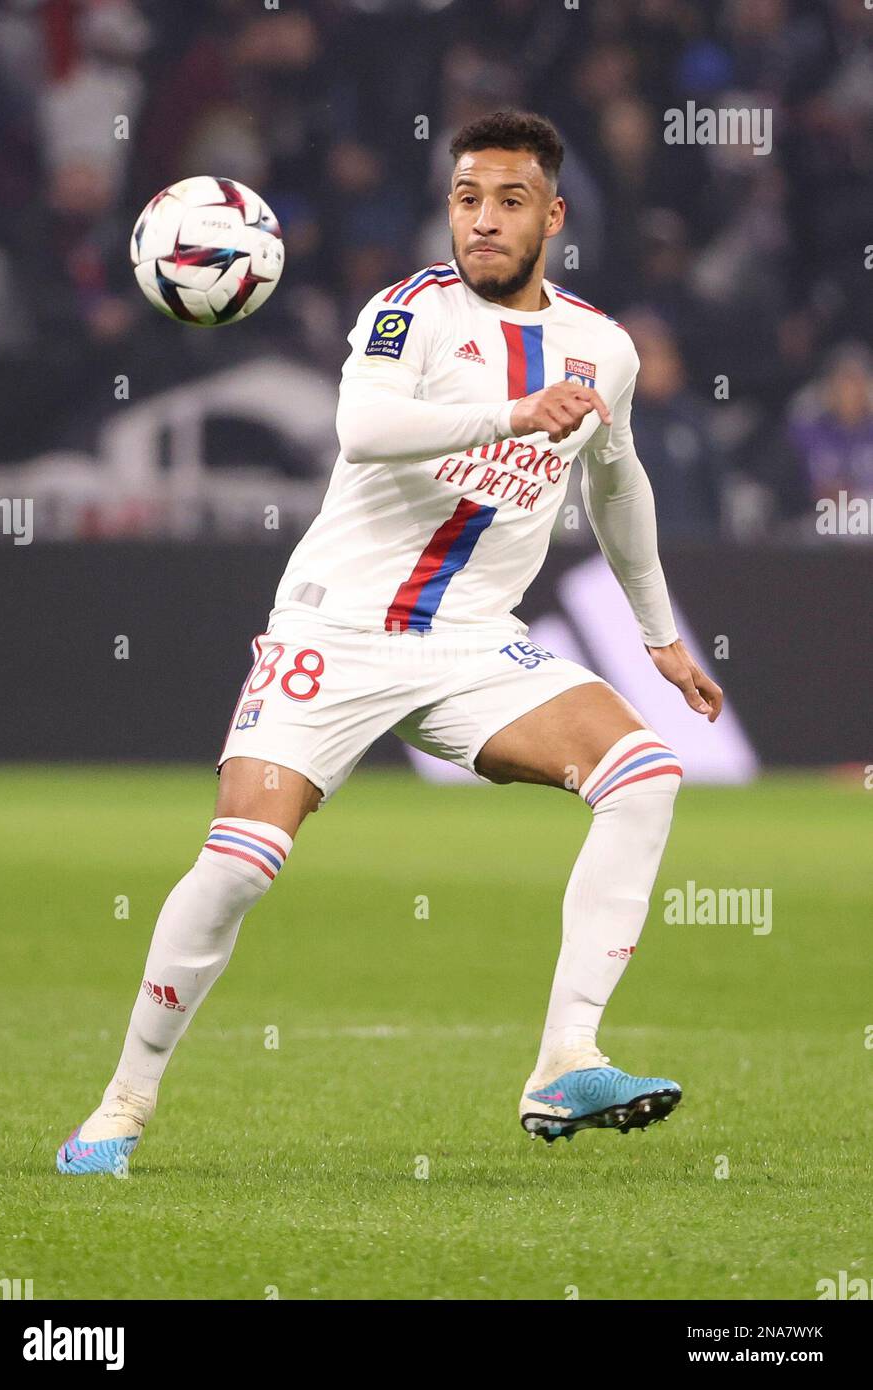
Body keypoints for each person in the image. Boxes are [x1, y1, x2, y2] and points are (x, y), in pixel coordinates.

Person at [58, 109, 722, 1174]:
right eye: (467, 198)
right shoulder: (408, 313)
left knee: (643, 773)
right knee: (240, 863)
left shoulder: (604, 348)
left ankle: (563, 1060)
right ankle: (120, 1109)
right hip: (338, 625)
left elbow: (617, 479)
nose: (484, 220)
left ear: (552, 215)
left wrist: (659, 635)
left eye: (509, 201)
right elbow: (363, 430)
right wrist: (513, 415)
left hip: (470, 643)